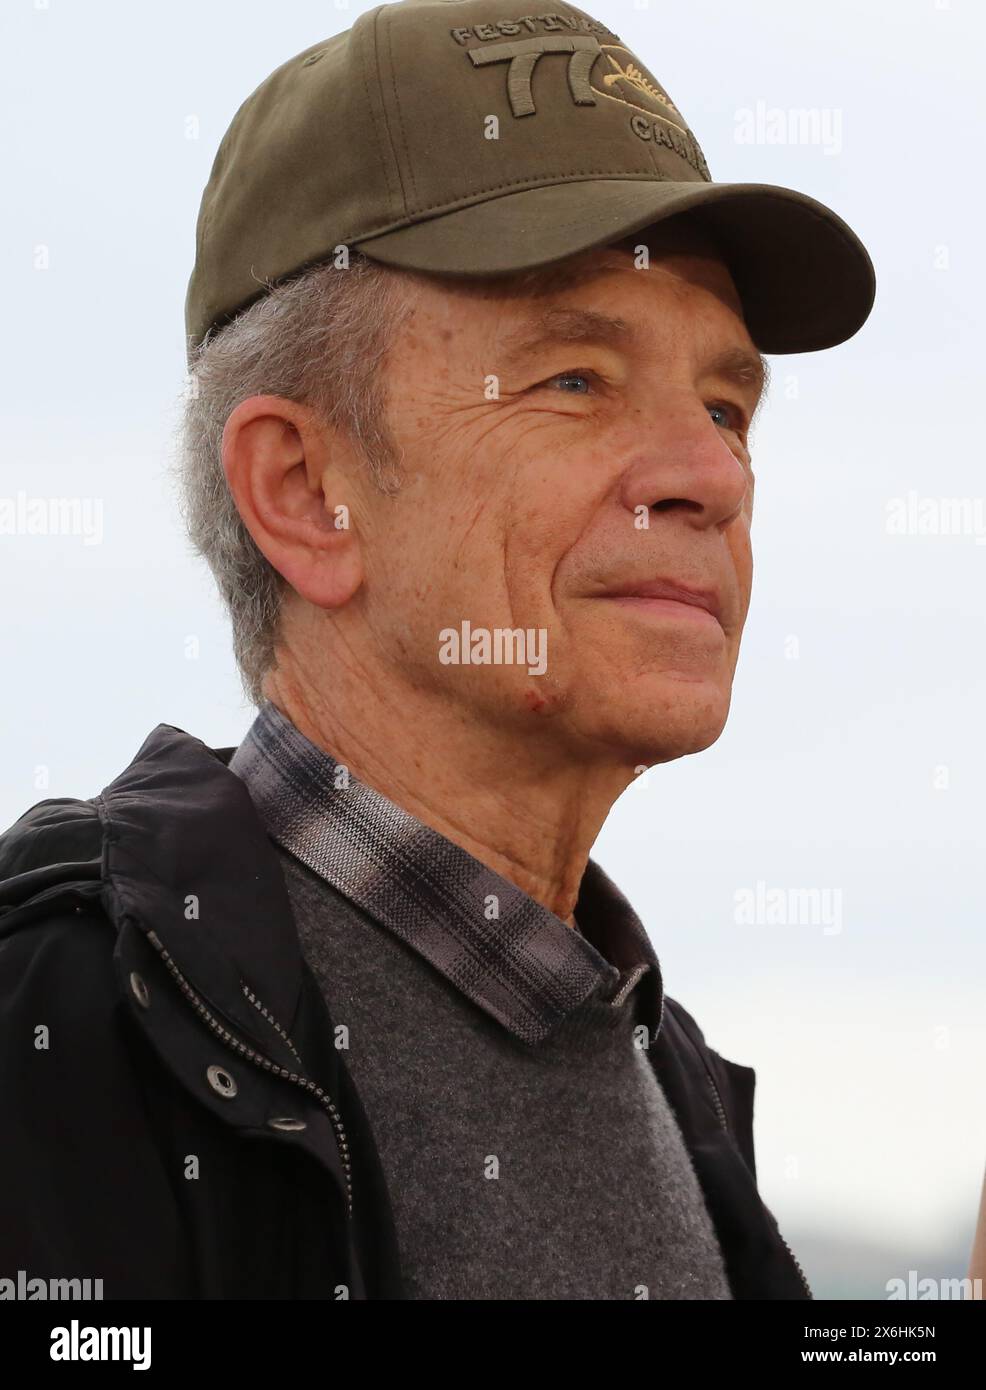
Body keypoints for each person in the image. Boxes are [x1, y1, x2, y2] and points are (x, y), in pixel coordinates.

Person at [0, 0, 875, 1299]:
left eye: (723, 403)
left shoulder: (662, 1073)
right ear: (301, 489)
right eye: (572, 379)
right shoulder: (50, 1032)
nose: (709, 475)